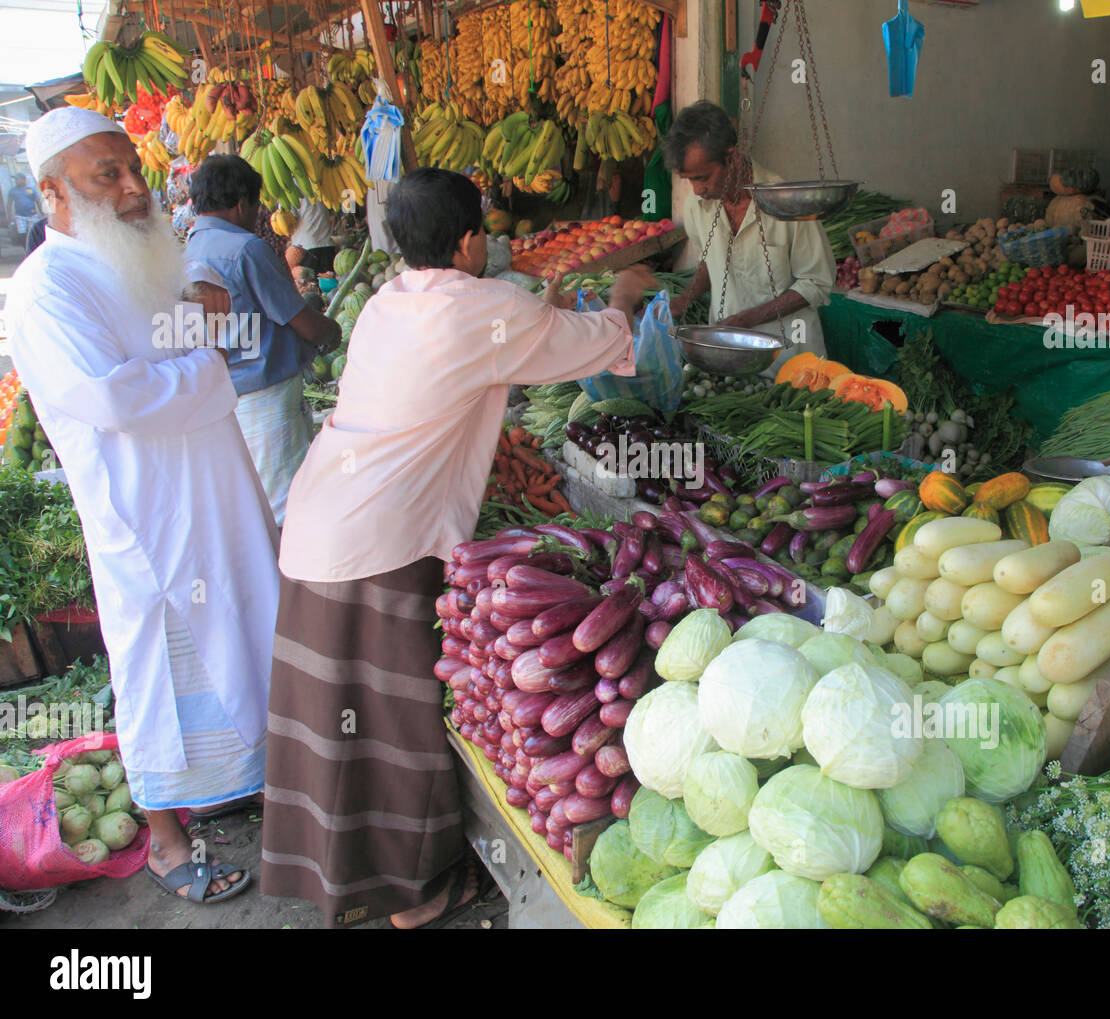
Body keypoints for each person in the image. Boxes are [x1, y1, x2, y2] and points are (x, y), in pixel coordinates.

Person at [259, 167, 654, 929]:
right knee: (392, 717)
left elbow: (509, 334)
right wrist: (624, 299)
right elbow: (593, 345)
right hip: (382, 537)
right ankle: (414, 898)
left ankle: (350, 881)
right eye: (486, 234)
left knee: (336, 713)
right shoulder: (480, 308)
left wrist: (544, 307)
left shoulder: (388, 300)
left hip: (322, 521)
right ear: (471, 240)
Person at [7, 108, 282, 905]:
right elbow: (116, 398)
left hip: (218, 489)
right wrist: (206, 352)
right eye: (107, 174)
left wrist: (199, 322)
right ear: (55, 190)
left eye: (132, 167)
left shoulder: (132, 252)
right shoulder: (43, 290)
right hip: (149, 520)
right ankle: (165, 840)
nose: (134, 187)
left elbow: (183, 334)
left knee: (249, 632)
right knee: (162, 671)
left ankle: (255, 779)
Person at [185, 155, 341, 525]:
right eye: (256, 206)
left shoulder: (189, 249)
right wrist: (331, 333)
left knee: (255, 503)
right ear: (242, 204)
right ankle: (291, 582)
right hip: (267, 397)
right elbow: (301, 321)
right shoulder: (246, 249)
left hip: (226, 397)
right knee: (287, 506)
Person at [661, 100, 835, 372]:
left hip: (790, 357)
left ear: (731, 157)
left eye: (702, 177)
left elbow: (816, 282)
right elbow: (710, 263)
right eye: (690, 180)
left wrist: (744, 321)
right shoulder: (698, 207)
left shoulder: (788, 203)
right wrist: (687, 297)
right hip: (728, 354)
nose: (697, 190)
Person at [286, 197, 336, 274]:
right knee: (329, 282)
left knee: (308, 284)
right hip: (327, 244)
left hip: (305, 248)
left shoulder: (288, 190)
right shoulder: (319, 185)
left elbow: (287, 221)